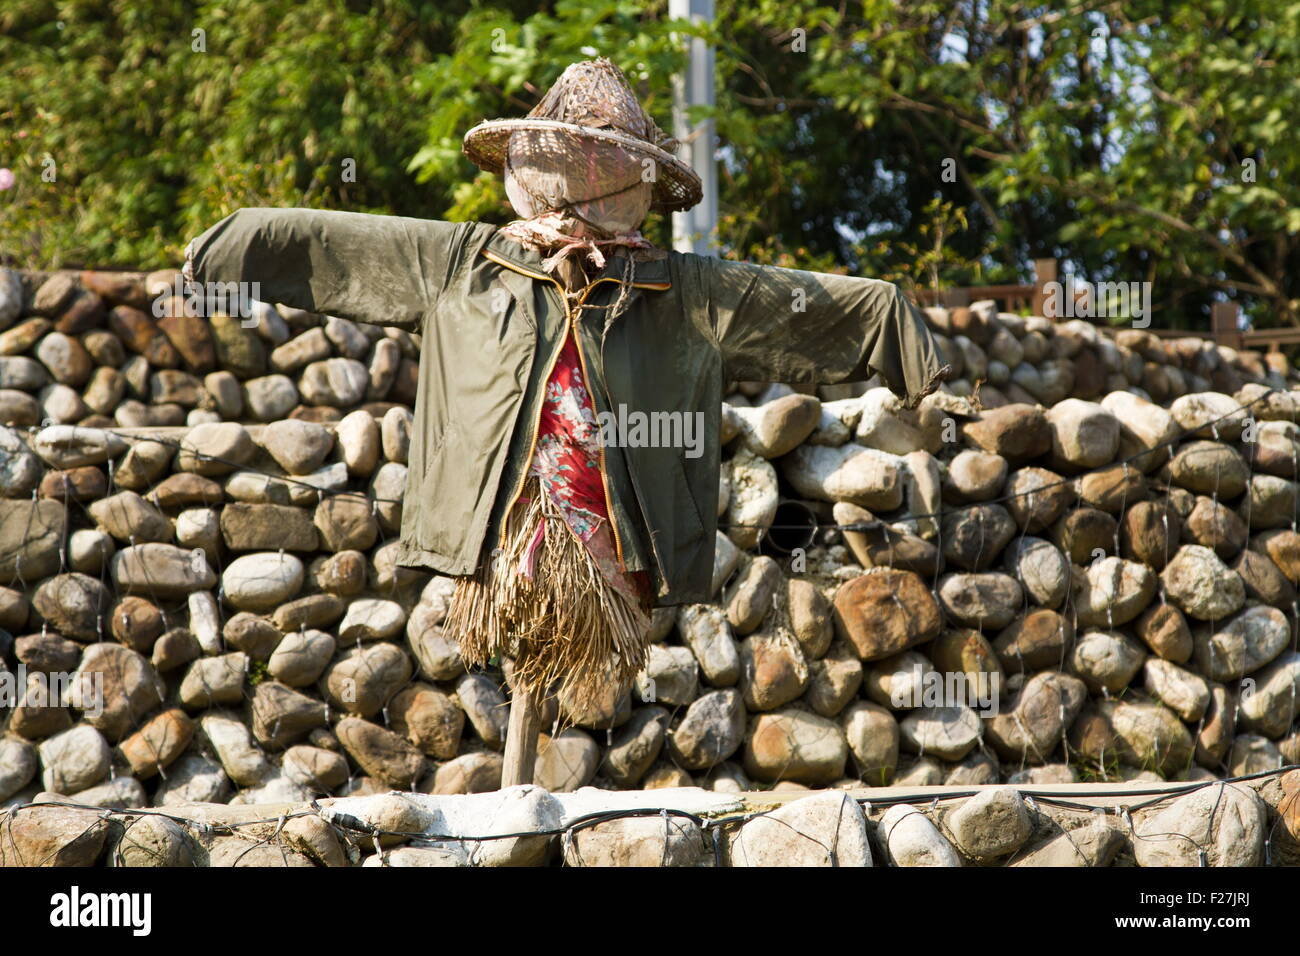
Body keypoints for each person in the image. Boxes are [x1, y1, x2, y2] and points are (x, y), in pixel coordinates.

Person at [184, 58, 947, 780]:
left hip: (610, 528)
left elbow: (811, 305)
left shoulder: (678, 290)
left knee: (565, 660)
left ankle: (533, 795)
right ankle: (520, 790)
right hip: (508, 522)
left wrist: (906, 345)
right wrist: (231, 247)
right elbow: (337, 244)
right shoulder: (466, 264)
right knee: (522, 648)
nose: (586, 186)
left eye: (601, 167)